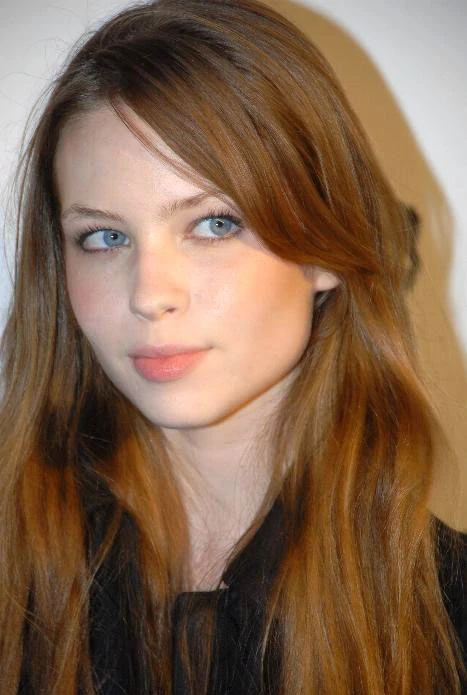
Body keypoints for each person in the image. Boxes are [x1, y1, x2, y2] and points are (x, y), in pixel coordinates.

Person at [0, 0, 465, 693]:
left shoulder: (447, 617)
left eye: (214, 224)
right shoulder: (16, 580)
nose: (150, 294)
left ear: (324, 249)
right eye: (104, 237)